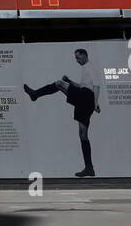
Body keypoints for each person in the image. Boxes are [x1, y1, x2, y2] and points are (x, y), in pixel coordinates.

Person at [24, 48, 102, 177]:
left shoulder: (91, 68)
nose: (77, 60)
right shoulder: (85, 69)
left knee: (59, 84)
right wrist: (70, 81)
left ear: (84, 55)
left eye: (78, 57)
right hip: (85, 98)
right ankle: (89, 168)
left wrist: (95, 102)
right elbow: (82, 85)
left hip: (86, 97)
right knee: (82, 134)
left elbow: (96, 86)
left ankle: (35, 94)